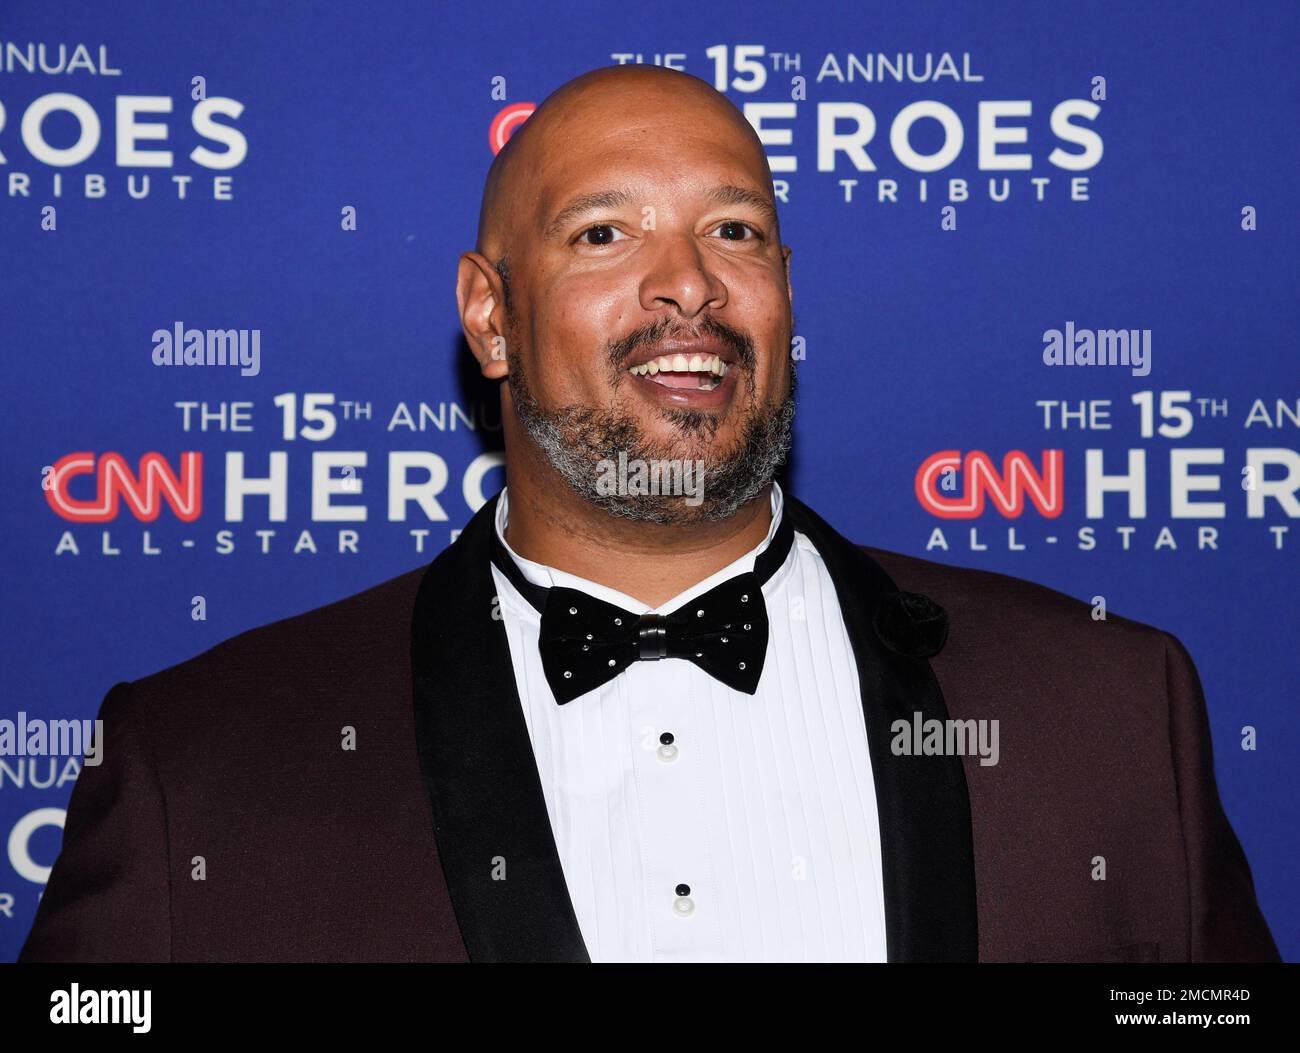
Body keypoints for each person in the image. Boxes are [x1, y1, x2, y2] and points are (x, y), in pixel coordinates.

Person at [19, 64, 1278, 963]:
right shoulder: (199, 762)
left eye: (734, 230)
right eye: (604, 233)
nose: (685, 284)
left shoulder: (1110, 717)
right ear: (490, 316)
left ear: (785, 293)